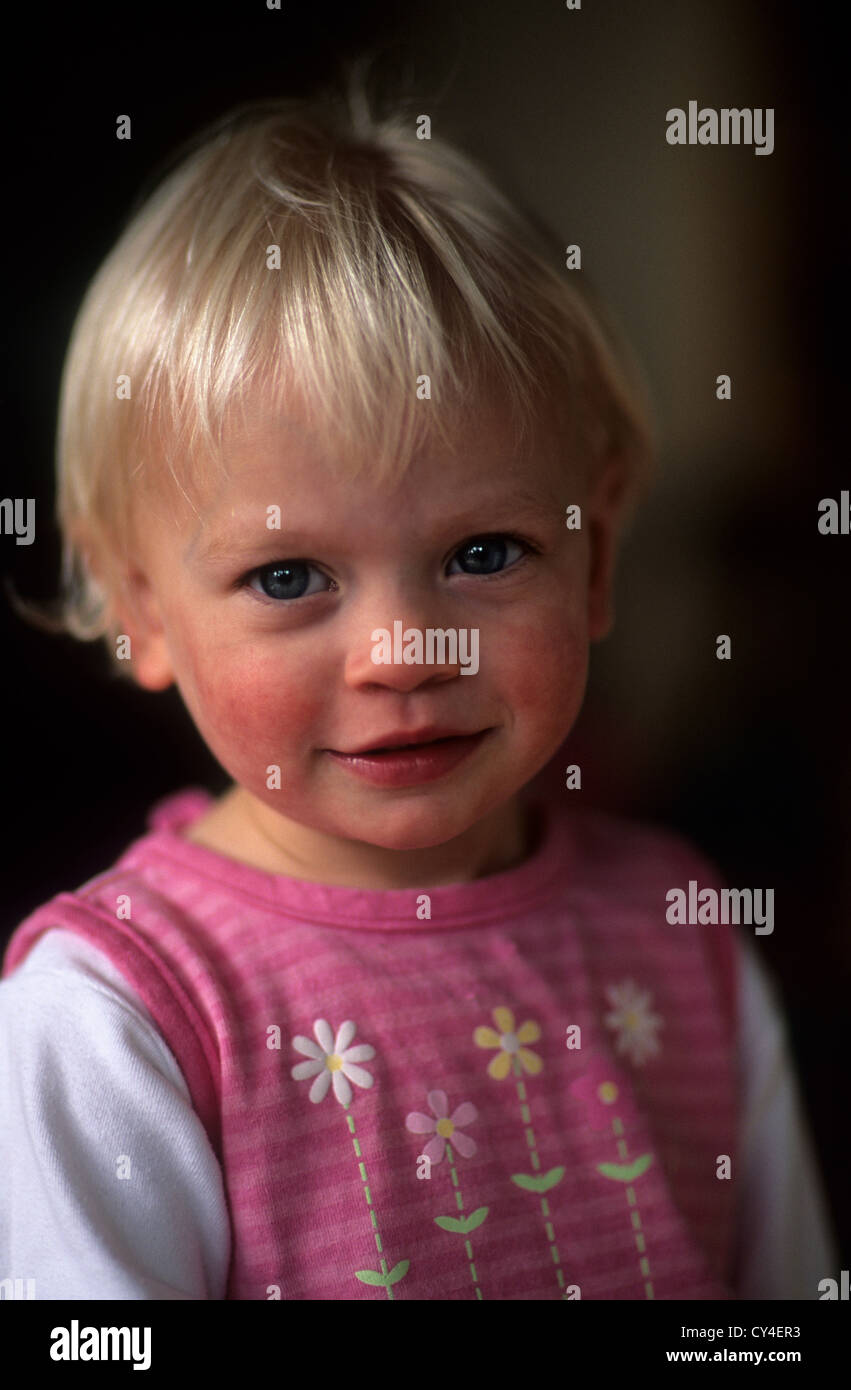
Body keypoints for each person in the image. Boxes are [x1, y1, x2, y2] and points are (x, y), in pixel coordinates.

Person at [0, 79, 837, 1300]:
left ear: (594, 558)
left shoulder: (685, 935)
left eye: (483, 554)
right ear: (137, 607)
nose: (405, 651)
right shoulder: (120, 1019)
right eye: (288, 573)